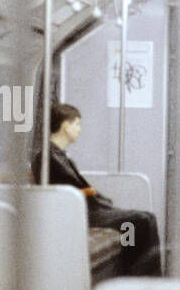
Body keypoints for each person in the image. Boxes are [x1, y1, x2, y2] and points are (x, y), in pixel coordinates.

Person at [32, 102, 162, 276]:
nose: (79, 129)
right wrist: (94, 195)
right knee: (139, 221)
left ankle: (137, 272)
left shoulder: (56, 155)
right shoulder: (49, 157)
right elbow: (75, 189)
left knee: (139, 220)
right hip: (79, 213)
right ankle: (139, 275)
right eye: (77, 124)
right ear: (65, 126)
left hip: (83, 209)